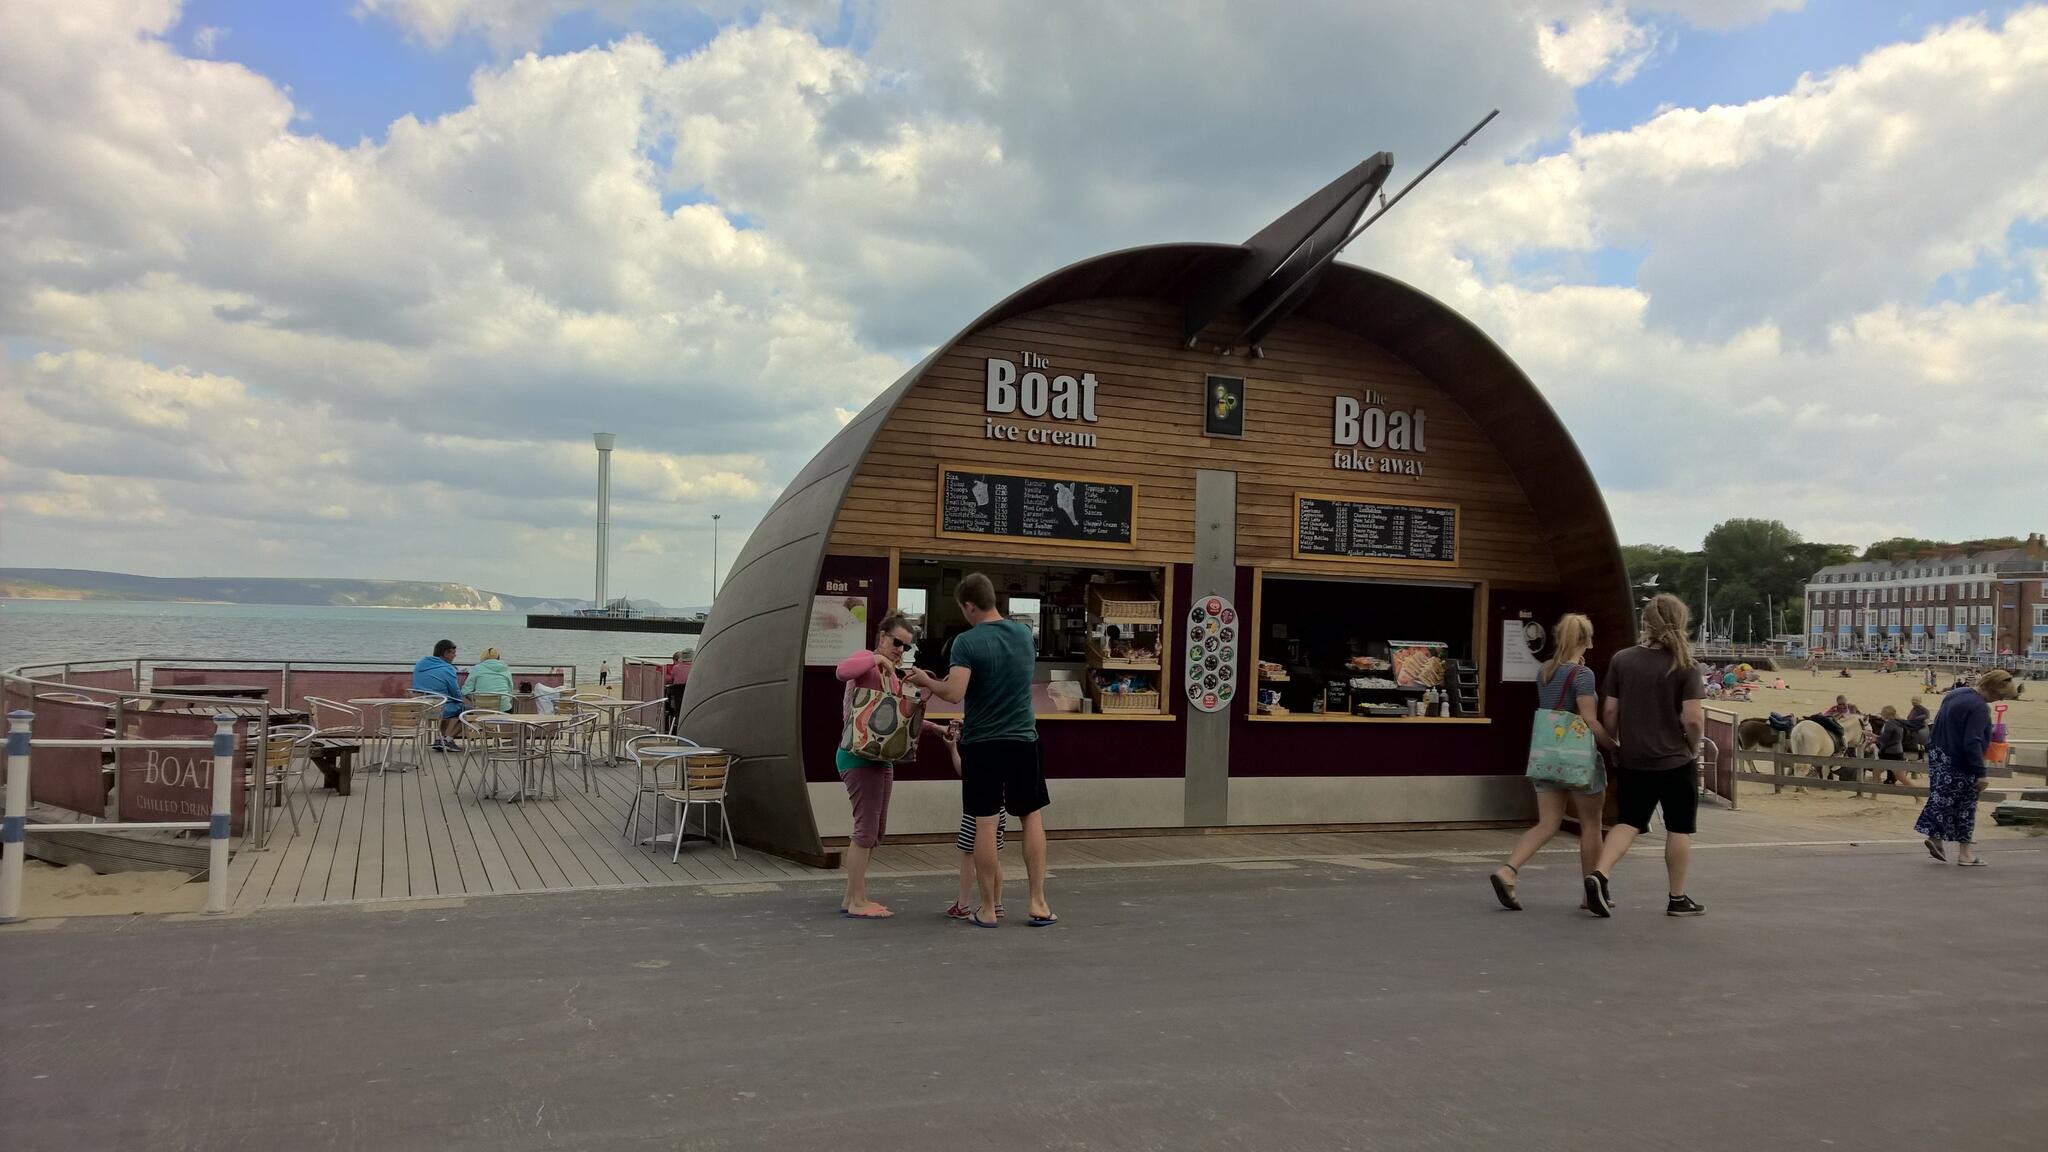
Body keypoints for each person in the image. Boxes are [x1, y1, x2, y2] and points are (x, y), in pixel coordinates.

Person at [904, 572, 1055, 928]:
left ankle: (988, 909)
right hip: (1023, 738)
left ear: (970, 606)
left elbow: (954, 693)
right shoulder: (1024, 634)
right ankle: (1038, 902)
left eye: (963, 609)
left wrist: (927, 681)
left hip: (983, 743)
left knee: (985, 822)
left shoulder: (966, 642)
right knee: (1031, 816)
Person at [1585, 593, 1706, 918]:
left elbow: (1610, 711)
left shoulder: (1622, 660)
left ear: (1646, 622)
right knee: (1678, 827)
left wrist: (1616, 744)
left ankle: (1600, 875)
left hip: (1633, 759)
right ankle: (1677, 898)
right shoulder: (1685, 664)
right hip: (1675, 760)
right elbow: (1693, 719)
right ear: (1681, 621)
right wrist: (1693, 746)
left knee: (1628, 821)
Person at [1490, 613, 1616, 911]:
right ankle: (1591, 892)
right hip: (1577, 758)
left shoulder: (1544, 670)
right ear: (1587, 640)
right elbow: (1589, 720)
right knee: (1591, 824)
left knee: (1547, 824)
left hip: (1547, 756)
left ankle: (1508, 871)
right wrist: (1614, 747)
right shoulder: (1583, 675)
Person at [834, 612, 951, 919]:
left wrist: (937, 729)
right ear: (883, 637)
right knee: (865, 831)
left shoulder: (895, 677)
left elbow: (899, 721)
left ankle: (853, 896)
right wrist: (877, 659)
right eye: (897, 643)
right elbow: (842, 671)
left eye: (907, 647)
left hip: (881, 758)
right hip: (859, 756)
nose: (901, 650)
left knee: (875, 832)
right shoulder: (867, 661)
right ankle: (857, 900)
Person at [1915, 669, 2016, 867]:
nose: (2000, 699)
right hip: (1961, 762)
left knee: (1941, 798)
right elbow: (1972, 741)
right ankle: (1965, 854)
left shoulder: (1955, 694)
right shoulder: (1979, 707)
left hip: (1939, 755)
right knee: (1966, 808)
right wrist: (1980, 772)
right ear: (1993, 689)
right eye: (2001, 695)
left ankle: (1936, 837)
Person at [411, 639, 467, 751]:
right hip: (439, 708)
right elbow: (455, 693)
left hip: (421, 707)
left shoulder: (420, 664)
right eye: (453, 653)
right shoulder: (448, 669)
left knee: (446, 704)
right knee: (467, 711)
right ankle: (448, 740)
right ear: (445, 653)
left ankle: (440, 738)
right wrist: (461, 699)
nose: (455, 655)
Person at [1875, 705, 1909, 785]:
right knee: (1876, 771)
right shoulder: (1898, 722)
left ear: (1886, 714)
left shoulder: (1890, 723)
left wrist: (1874, 737)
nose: (1881, 715)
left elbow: (1884, 739)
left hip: (1891, 753)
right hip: (1896, 751)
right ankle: (1875, 792)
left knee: (1901, 778)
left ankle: (1917, 792)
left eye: (1882, 713)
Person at [663, 649, 692, 734]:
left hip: (677, 703)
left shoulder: (676, 668)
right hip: (691, 703)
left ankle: (673, 728)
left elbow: (671, 680)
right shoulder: (695, 667)